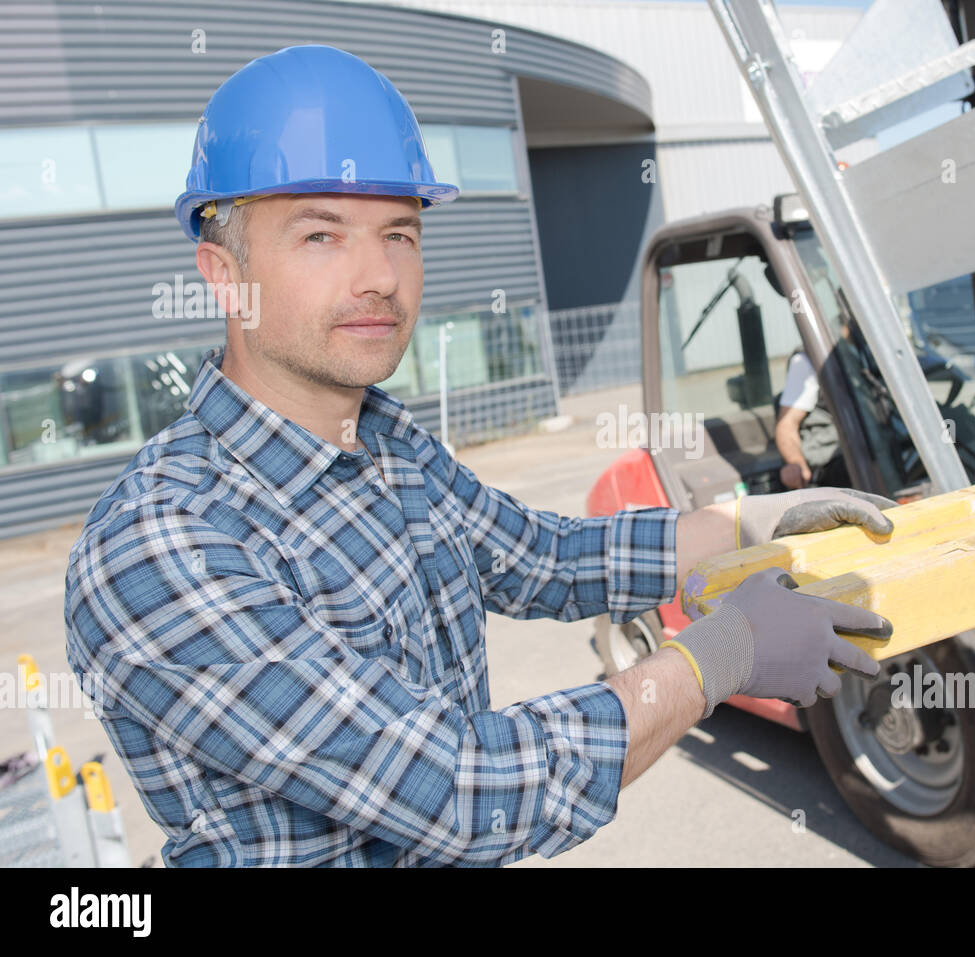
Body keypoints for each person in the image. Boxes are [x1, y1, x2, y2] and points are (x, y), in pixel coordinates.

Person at [62, 45, 896, 867]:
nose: (380, 275)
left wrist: (751, 519)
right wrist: (721, 655)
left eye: (400, 232)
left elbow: (546, 557)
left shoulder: (392, 449)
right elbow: (465, 790)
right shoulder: (159, 542)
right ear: (223, 273)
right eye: (321, 236)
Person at [775, 319, 858, 490]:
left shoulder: (874, 351)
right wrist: (797, 464)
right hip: (833, 463)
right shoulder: (809, 359)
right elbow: (787, 424)